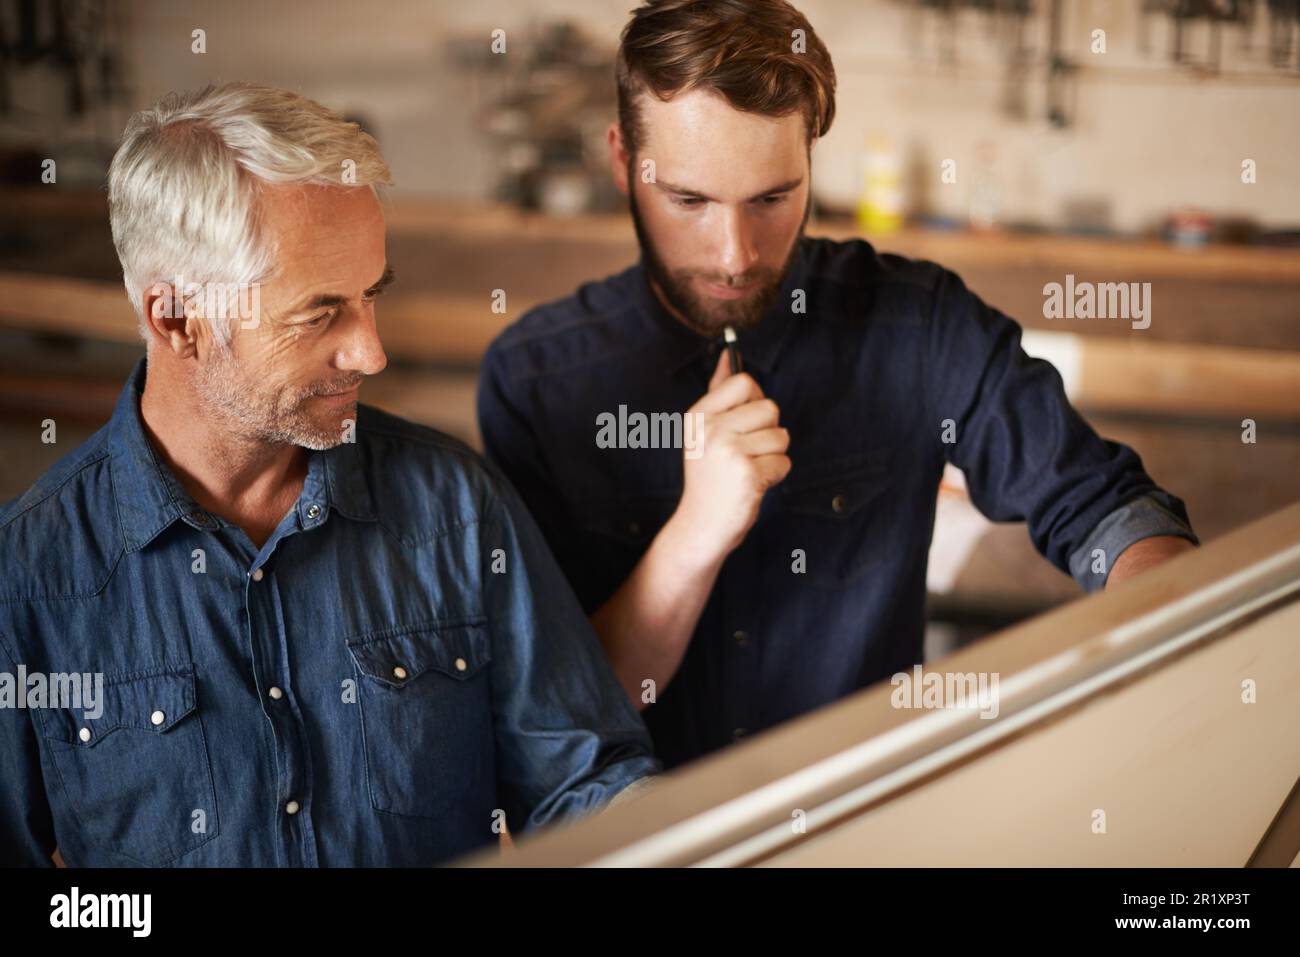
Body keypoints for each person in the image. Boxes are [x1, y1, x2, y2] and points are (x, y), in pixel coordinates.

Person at [477, 0, 1197, 771]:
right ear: (623, 162)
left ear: (812, 161)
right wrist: (692, 538)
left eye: (772, 198)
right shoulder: (535, 379)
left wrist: (1188, 637)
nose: (734, 254)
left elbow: (1104, 507)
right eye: (689, 201)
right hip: (644, 835)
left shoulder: (920, 324)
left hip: (866, 822)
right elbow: (555, 722)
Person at [0, 82, 657, 867]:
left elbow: (582, 782)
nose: (371, 353)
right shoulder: (28, 580)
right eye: (319, 314)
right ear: (177, 319)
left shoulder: (455, 507)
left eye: (371, 296)